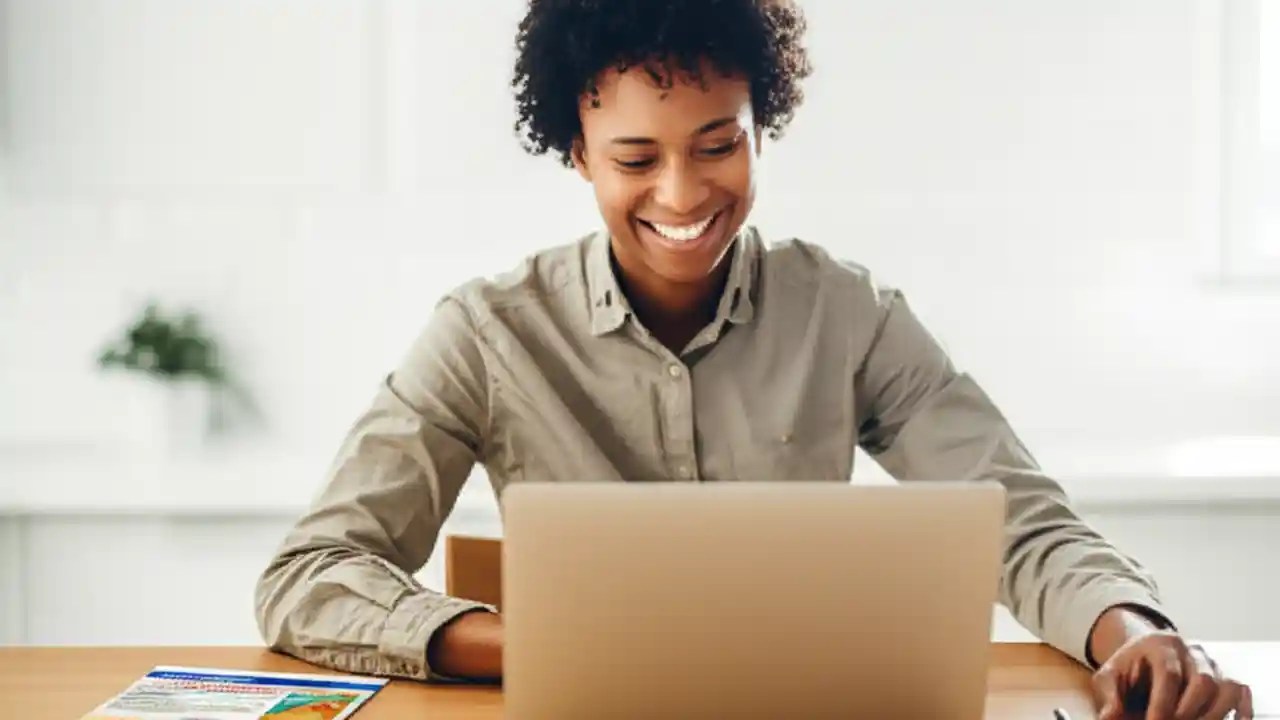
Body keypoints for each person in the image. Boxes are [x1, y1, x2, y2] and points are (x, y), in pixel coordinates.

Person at [255, 1, 1253, 717]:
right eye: (635, 159)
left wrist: (1132, 630)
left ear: (757, 129)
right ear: (577, 152)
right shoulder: (487, 332)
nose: (684, 196)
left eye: (717, 144)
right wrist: (529, 647)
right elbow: (308, 575)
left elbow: (1019, 522)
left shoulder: (846, 312)